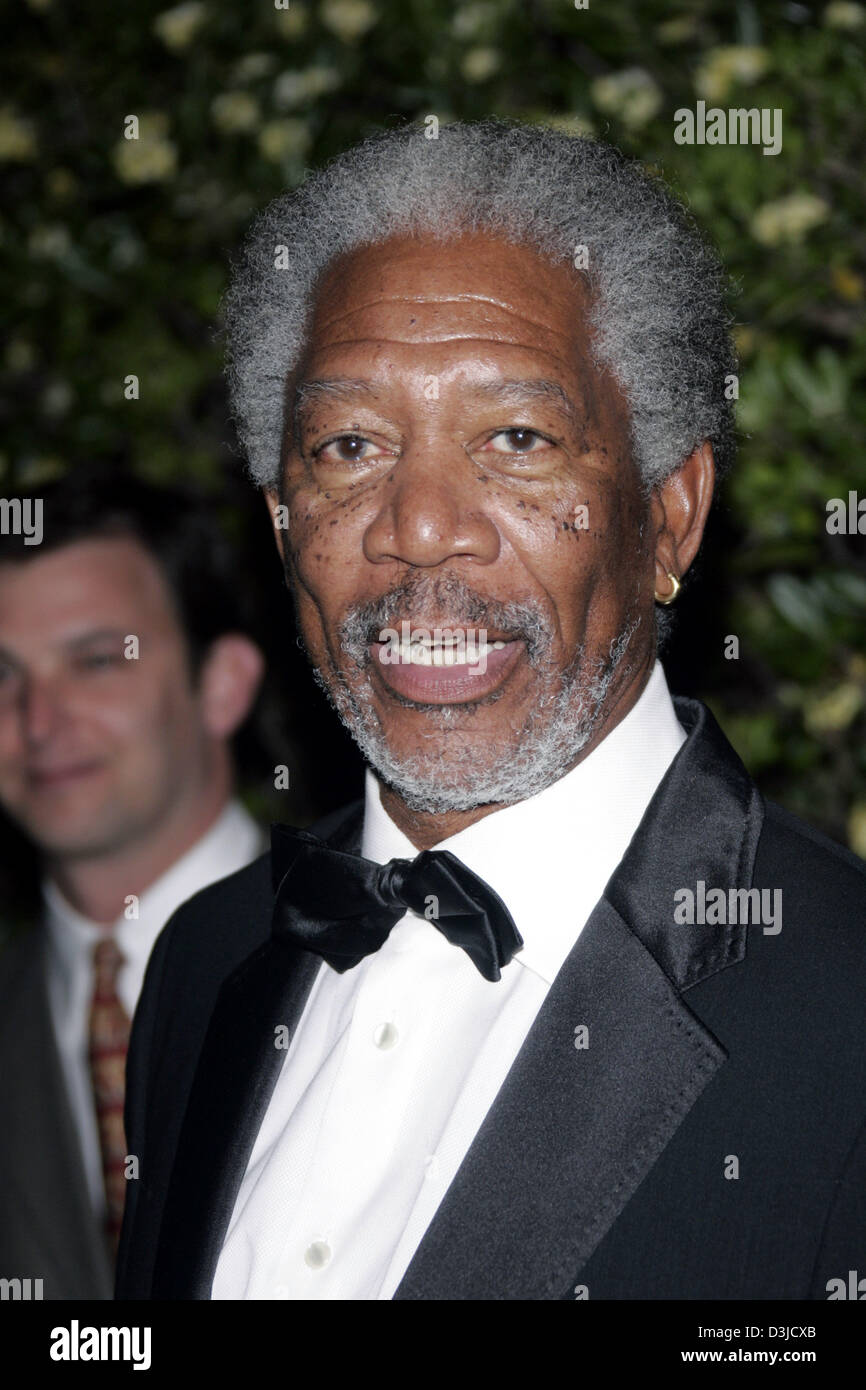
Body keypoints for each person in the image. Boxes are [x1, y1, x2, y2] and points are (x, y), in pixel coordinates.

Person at [116, 120, 866, 1301]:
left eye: (514, 440)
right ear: (279, 519)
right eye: (349, 445)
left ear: (667, 517)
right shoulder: (207, 960)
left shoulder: (841, 1007)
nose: (418, 525)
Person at [0, 474, 266, 1299]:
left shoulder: (374, 947)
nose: (39, 722)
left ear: (222, 683)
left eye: (94, 663)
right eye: (1, 675)